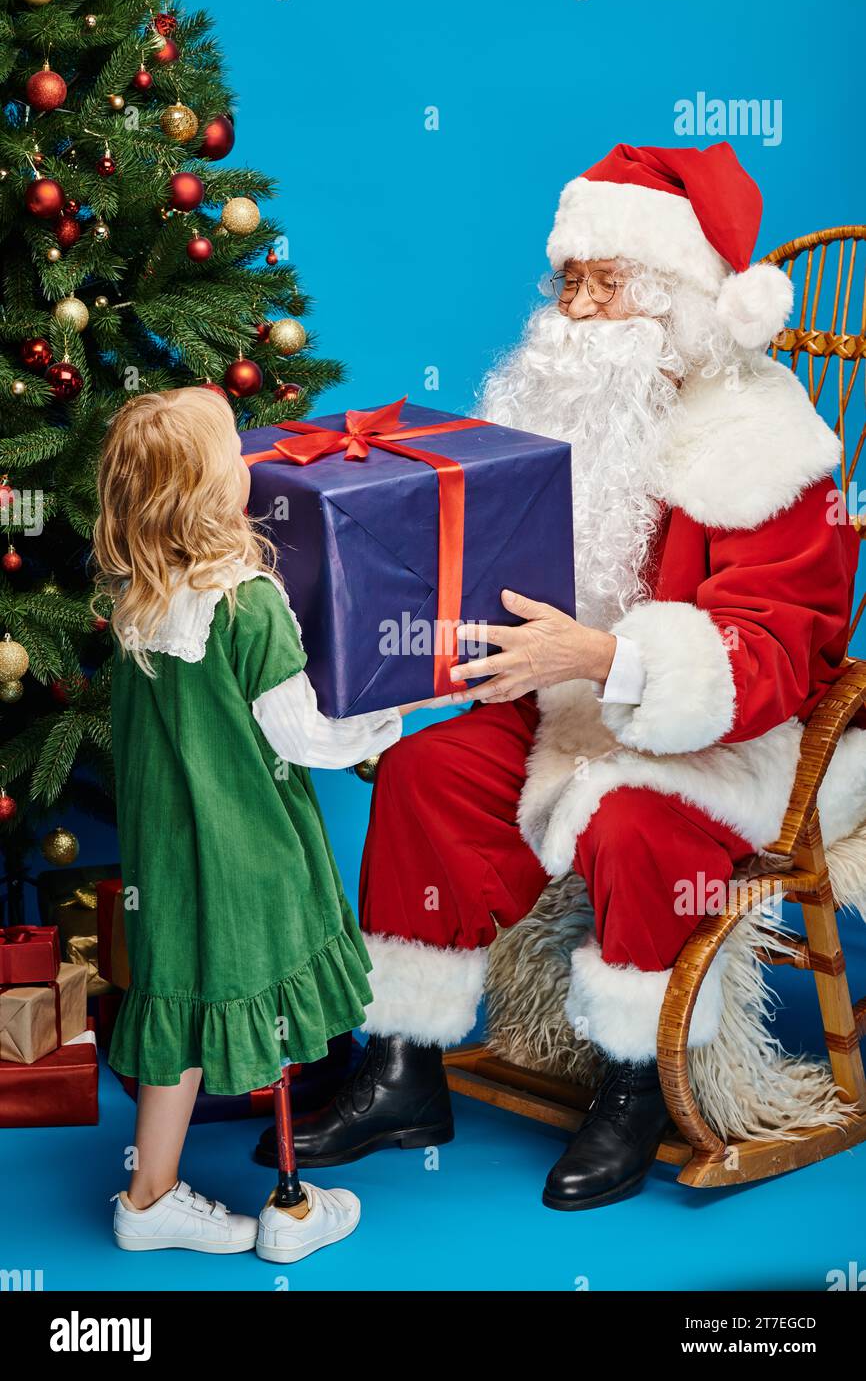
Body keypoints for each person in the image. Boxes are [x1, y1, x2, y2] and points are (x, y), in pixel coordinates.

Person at [257, 142, 866, 1210]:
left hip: (718, 737)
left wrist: (612, 659)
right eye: (567, 281)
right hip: (561, 701)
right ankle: (404, 1068)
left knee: (638, 826)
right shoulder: (566, 410)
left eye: (605, 282)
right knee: (425, 772)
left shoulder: (772, 452)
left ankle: (632, 1084)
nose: (574, 310)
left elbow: (775, 659)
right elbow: (497, 578)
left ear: (676, 300)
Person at [93, 386, 429, 1259]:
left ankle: (149, 1195)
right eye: (233, 454)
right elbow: (306, 738)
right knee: (267, 1008)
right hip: (254, 858)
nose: (250, 463)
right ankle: (290, 1207)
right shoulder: (248, 603)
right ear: (212, 491)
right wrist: (391, 715)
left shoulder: (137, 602)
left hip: (166, 866)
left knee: (182, 1016)